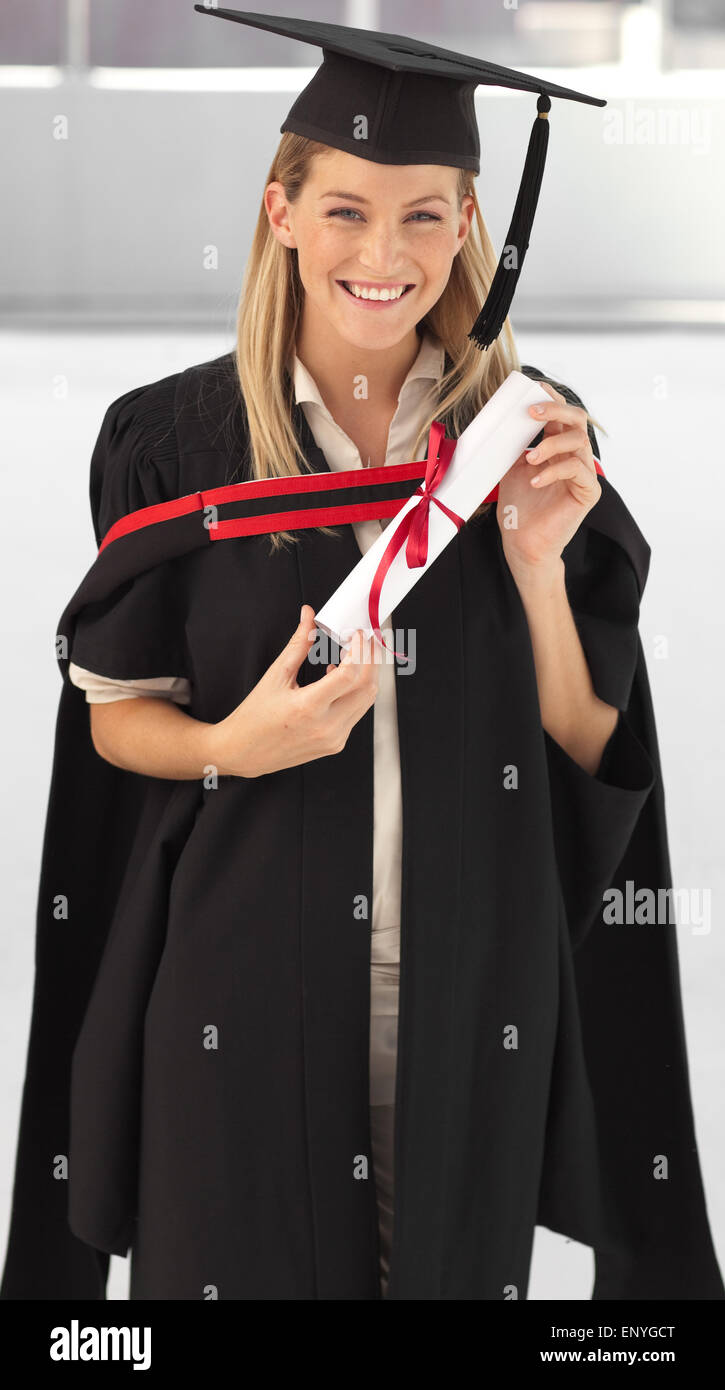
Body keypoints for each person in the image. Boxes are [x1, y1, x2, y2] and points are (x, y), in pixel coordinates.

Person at [2, 11, 722, 1301]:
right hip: (237, 979)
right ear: (279, 214)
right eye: (343, 211)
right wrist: (235, 746)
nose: (382, 255)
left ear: (470, 232)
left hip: (468, 992)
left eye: (423, 217)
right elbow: (115, 716)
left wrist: (542, 573)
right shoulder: (175, 443)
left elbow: (592, 747)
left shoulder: (527, 443)